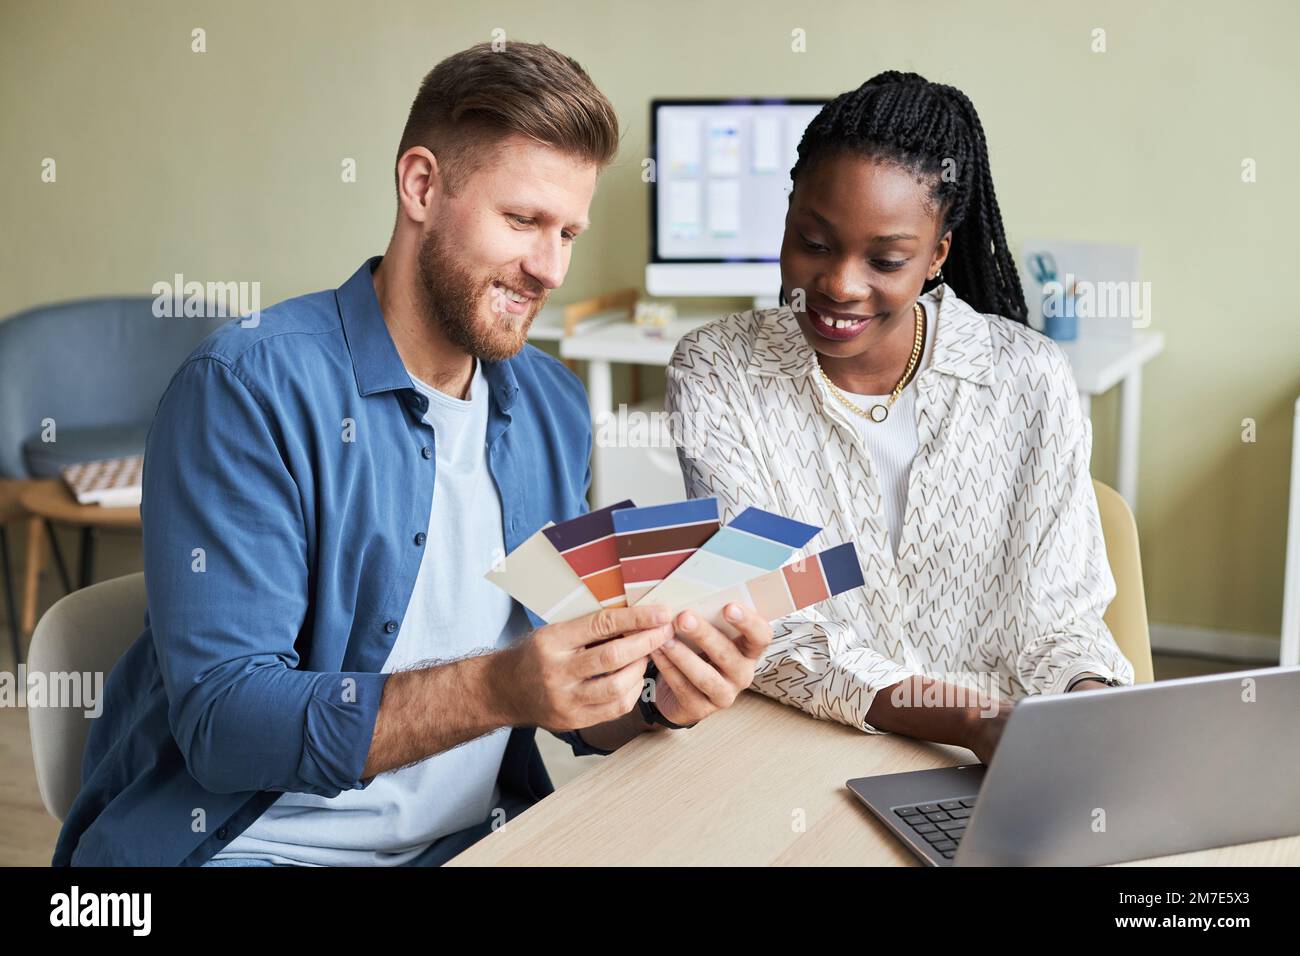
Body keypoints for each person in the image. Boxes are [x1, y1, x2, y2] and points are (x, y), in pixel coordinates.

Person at [54, 41, 771, 868]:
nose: (550, 268)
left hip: (472, 843)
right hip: (248, 849)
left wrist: (656, 699)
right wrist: (498, 688)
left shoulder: (550, 404)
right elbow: (225, 725)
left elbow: (568, 689)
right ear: (422, 186)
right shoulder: (245, 388)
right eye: (522, 221)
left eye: (568, 231)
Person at [665, 71, 1133, 767]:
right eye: (814, 243)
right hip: (801, 746)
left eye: (885, 259)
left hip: (1000, 760)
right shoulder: (718, 373)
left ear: (936, 255)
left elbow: (1058, 619)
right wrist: (974, 720)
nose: (840, 285)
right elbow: (767, 624)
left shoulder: (1026, 377)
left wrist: (1085, 702)